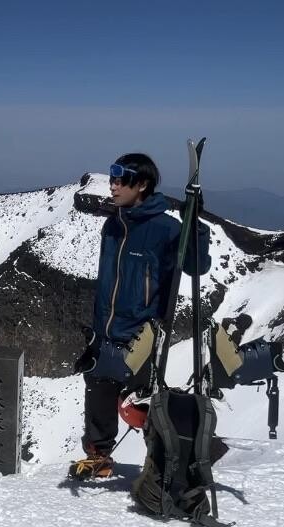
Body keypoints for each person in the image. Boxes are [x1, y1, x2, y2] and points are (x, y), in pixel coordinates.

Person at [71, 153, 211, 478]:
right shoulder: (113, 224)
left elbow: (196, 266)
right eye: (112, 179)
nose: (113, 185)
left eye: (121, 180)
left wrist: (196, 224)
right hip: (105, 332)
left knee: (141, 406)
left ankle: (163, 467)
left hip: (140, 336)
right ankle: (99, 459)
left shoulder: (165, 229)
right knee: (99, 397)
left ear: (143, 184)